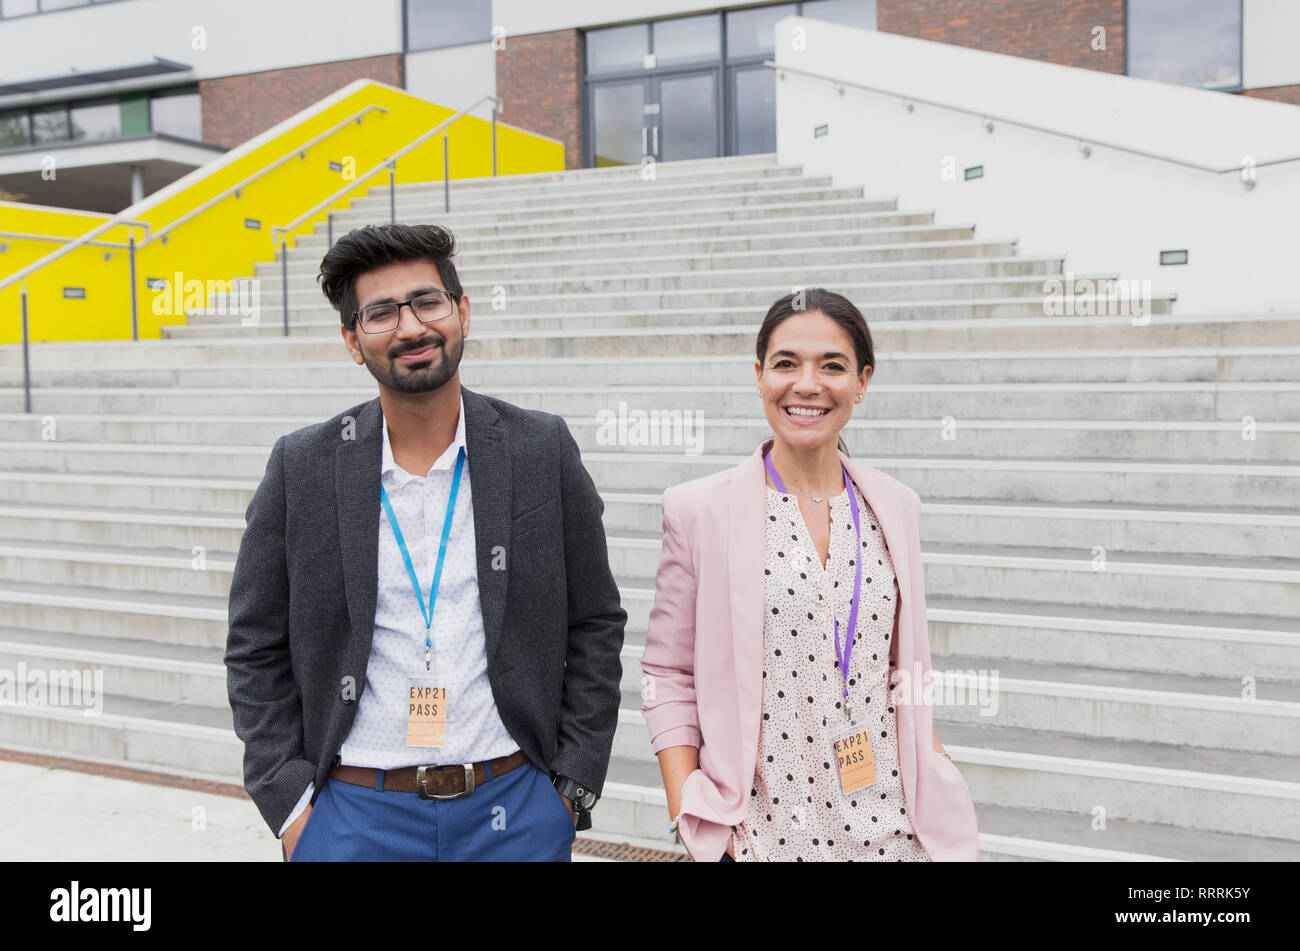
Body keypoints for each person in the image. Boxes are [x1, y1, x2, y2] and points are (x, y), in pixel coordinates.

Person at [225, 223, 626, 861]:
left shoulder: (539, 448)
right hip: (353, 817)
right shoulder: (302, 465)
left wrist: (570, 788)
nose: (410, 328)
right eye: (380, 314)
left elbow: (596, 620)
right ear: (353, 342)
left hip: (513, 808)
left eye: (427, 303)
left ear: (462, 311)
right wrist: (291, 806)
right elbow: (254, 644)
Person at [640, 288, 979, 862]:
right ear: (758, 376)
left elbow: (902, 668)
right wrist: (687, 809)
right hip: (759, 843)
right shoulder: (699, 510)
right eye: (786, 363)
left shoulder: (895, 507)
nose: (807, 384)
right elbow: (666, 672)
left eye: (833, 366)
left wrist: (938, 766)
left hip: (896, 836)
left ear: (863, 382)